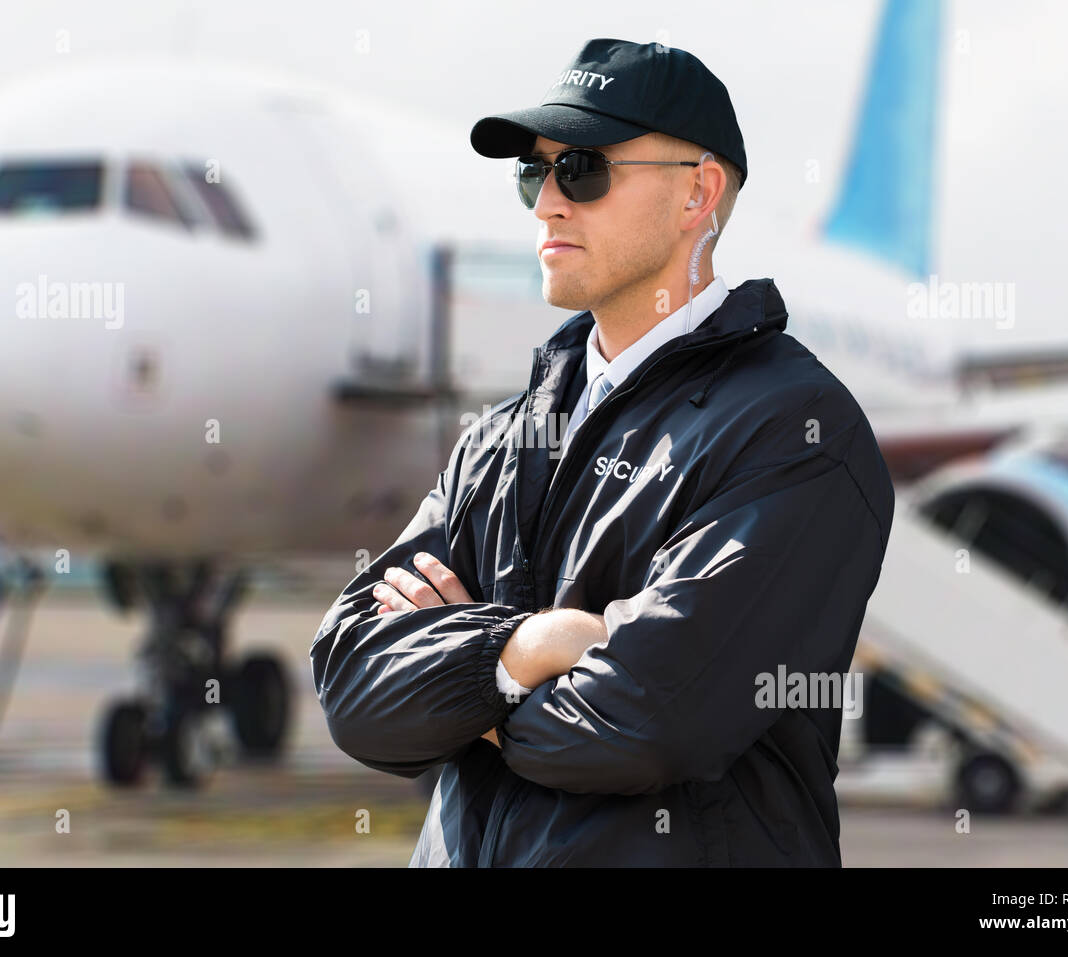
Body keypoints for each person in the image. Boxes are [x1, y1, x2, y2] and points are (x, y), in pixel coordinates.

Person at [310, 37, 895, 866]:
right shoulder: (500, 438)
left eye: (582, 169)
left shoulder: (795, 431)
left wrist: (457, 684)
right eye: (533, 174)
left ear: (699, 192)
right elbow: (353, 692)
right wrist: (530, 651)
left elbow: (643, 726)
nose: (548, 202)